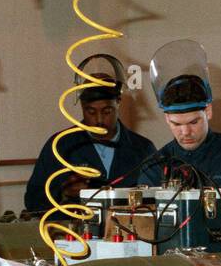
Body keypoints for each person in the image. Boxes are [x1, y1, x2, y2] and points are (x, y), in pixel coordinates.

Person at [23, 53, 158, 212]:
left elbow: (159, 198)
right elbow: (32, 200)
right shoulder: (60, 146)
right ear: (81, 106)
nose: (99, 120)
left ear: (118, 103)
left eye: (107, 111)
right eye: (91, 112)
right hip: (75, 233)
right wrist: (62, 194)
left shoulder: (142, 149)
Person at [137, 39, 221, 188]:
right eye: (177, 124)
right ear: (167, 118)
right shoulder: (155, 166)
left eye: (193, 122)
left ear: (208, 111)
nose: (185, 132)